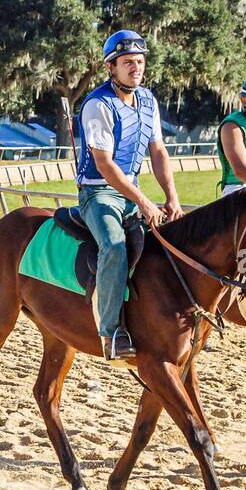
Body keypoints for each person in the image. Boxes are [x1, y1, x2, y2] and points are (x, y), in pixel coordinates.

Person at [75, 29, 185, 365]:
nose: (135, 67)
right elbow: (105, 165)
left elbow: (158, 150)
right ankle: (110, 333)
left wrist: (172, 196)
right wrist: (142, 201)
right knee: (113, 245)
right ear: (111, 67)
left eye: (139, 62)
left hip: (132, 191)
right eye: (127, 63)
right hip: (98, 194)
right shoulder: (98, 105)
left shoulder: (148, 100)